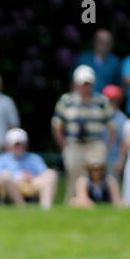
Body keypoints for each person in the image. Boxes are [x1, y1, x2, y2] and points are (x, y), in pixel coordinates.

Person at [52, 65, 114, 201]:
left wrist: (106, 146)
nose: (86, 87)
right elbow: (57, 125)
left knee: (97, 176)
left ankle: (98, 202)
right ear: (76, 84)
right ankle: (73, 203)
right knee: (74, 176)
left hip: (95, 143)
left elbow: (112, 126)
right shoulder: (66, 101)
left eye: (88, 84)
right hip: (74, 144)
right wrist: (64, 146)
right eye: (83, 84)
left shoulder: (101, 101)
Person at [0, 128, 57, 209]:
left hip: (32, 182)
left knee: (51, 173)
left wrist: (30, 178)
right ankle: (22, 207)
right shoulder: (0, 160)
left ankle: (46, 208)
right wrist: (19, 177)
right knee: (5, 175)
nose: (19, 147)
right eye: (16, 144)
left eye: (22, 144)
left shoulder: (34, 158)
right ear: (8, 145)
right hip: (12, 184)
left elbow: (44, 173)